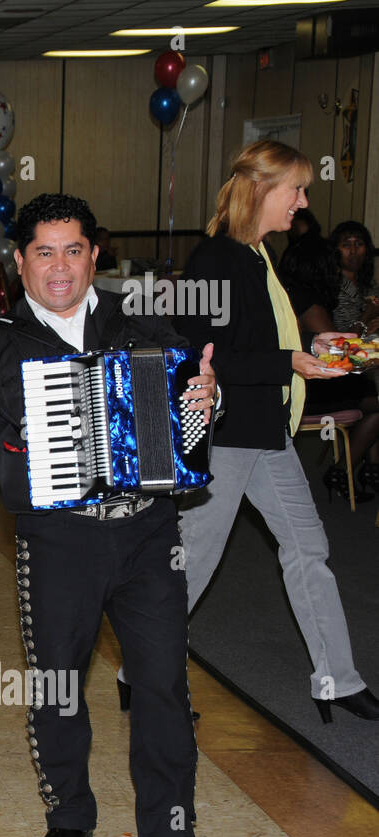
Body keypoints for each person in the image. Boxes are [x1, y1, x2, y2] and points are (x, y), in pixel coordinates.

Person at [0, 192, 217, 837]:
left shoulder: (142, 323)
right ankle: (68, 814)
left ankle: (170, 827)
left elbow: (192, 409)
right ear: (20, 261)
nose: (60, 266)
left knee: (162, 682)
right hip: (57, 539)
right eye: (44, 252)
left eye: (73, 250)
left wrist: (210, 399)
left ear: (95, 255)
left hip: (148, 532)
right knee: (57, 683)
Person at [172, 140, 379, 725]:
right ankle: (145, 671)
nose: (304, 202)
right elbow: (201, 355)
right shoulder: (217, 258)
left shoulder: (256, 253)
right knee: (194, 560)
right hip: (228, 433)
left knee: (308, 549)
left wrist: (311, 347)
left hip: (267, 430)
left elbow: (260, 339)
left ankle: (336, 680)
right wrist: (289, 361)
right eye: (297, 189)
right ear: (262, 189)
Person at [278, 234, 379, 499]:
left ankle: (369, 468)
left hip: (292, 379)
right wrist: (367, 319)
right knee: (375, 401)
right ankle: (342, 470)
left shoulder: (284, 292)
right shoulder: (309, 303)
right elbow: (338, 355)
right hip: (309, 387)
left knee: (370, 391)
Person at [330, 221, 379, 333]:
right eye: (346, 245)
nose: (353, 251)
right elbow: (342, 336)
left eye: (359, 244)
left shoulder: (370, 283)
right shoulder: (333, 286)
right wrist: (368, 314)